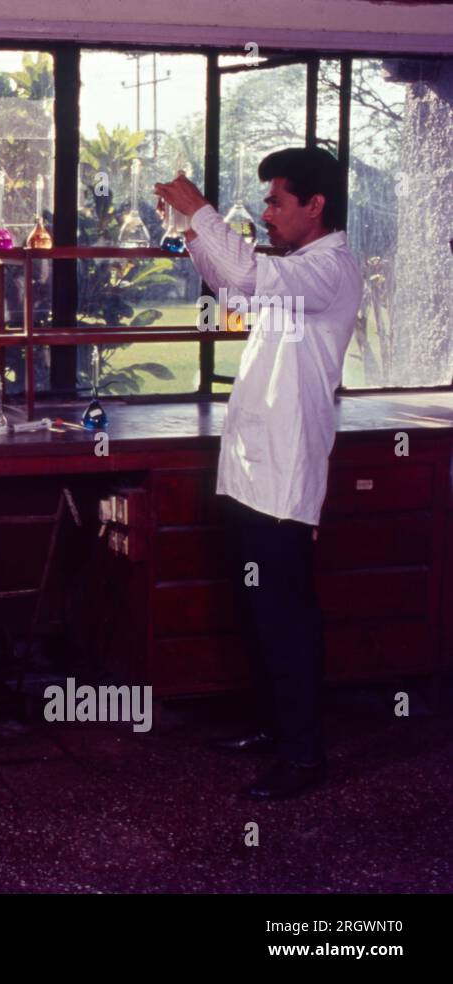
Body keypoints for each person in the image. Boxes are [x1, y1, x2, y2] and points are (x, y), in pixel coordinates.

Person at [155, 147, 363, 801]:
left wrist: (202, 211)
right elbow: (229, 283)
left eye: (276, 201)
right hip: (253, 467)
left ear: (315, 205)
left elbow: (244, 277)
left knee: (286, 615)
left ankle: (304, 756)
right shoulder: (296, 265)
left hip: (287, 470)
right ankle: (274, 729)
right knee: (256, 606)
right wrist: (191, 228)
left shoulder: (328, 268)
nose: (268, 214)